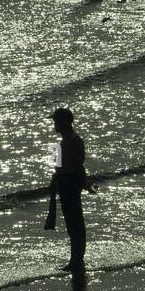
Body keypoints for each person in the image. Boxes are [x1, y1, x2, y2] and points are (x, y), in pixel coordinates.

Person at [48, 108, 88, 271]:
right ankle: (76, 260)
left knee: (74, 224)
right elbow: (57, 167)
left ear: (65, 122)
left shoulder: (70, 142)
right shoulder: (64, 142)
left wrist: (82, 182)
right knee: (73, 224)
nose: (54, 124)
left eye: (56, 121)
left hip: (70, 184)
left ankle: (76, 262)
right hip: (66, 183)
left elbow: (78, 166)